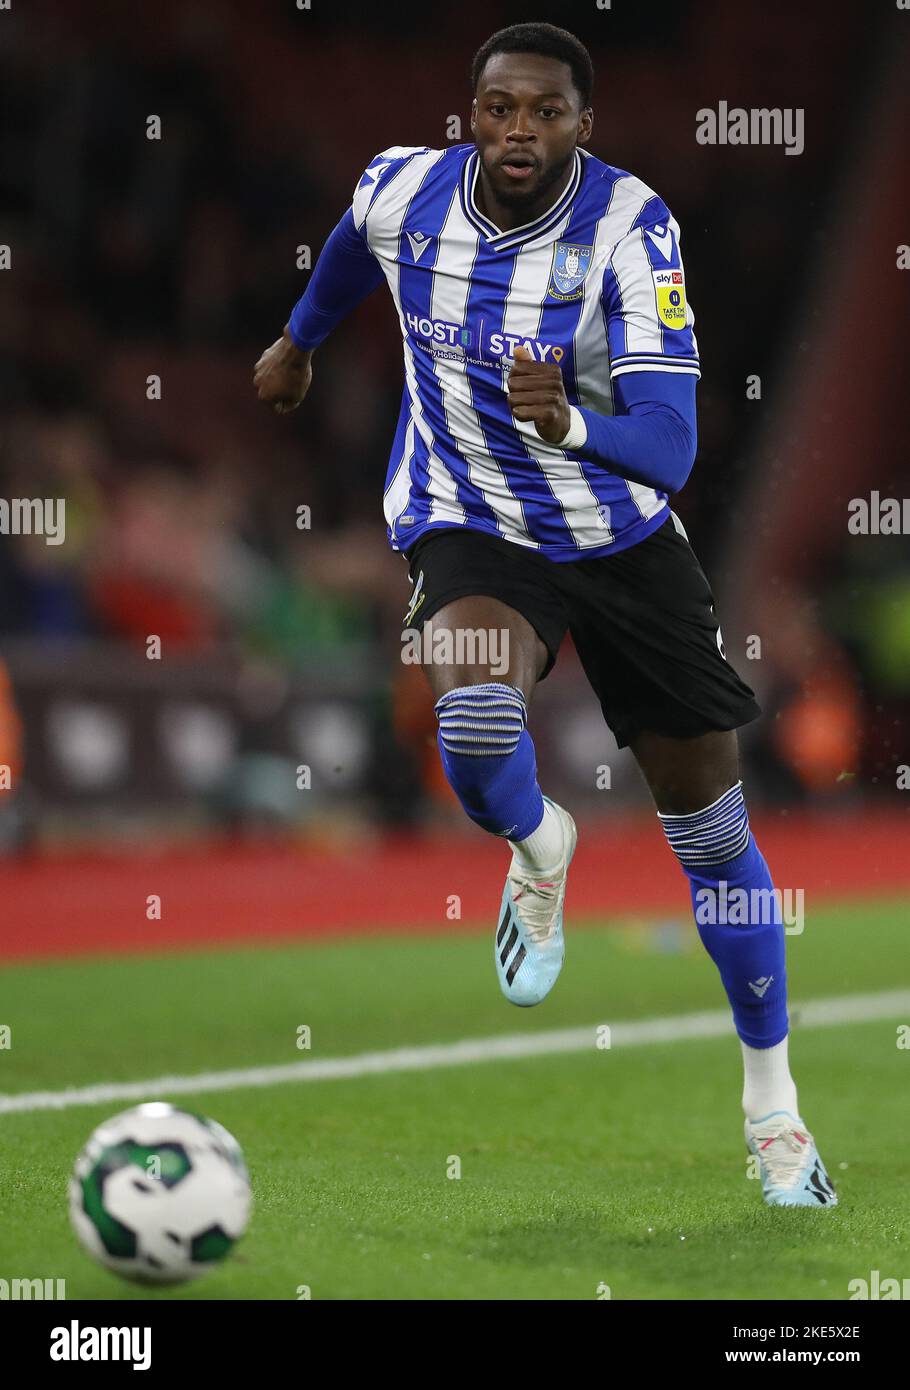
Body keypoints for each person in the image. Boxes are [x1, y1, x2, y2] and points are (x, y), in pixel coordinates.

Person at [254, 22, 837, 1209]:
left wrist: (570, 422)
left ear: (583, 123)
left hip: (621, 538)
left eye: (545, 113)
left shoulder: (632, 228)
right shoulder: (402, 187)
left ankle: (773, 1108)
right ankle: (539, 842)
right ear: (468, 112)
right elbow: (351, 253)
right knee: (470, 729)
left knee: (713, 840)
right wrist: (298, 342)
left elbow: (670, 447)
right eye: (498, 108)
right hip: (473, 525)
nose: (518, 130)